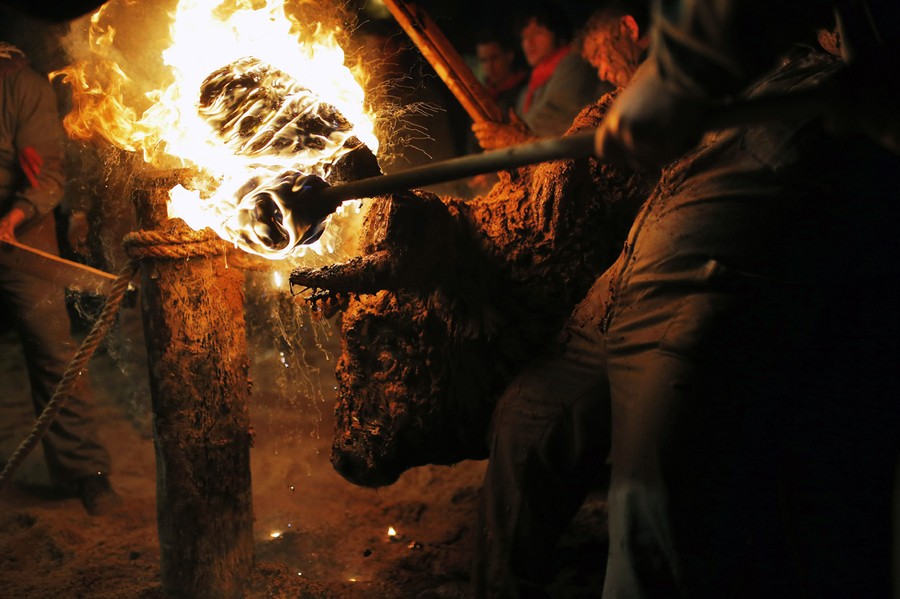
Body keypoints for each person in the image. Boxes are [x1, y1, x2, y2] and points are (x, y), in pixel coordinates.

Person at [477, 11, 900, 599]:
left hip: (710, 269)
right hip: (629, 270)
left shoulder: (822, 82)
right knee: (526, 419)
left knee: (650, 502)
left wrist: (679, 74)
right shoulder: (737, 68)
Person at [0, 41, 119, 515]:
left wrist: (16, 215)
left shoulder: (19, 86)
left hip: (20, 229)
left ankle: (84, 472)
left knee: (53, 350)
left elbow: (47, 168)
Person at [471, 0, 609, 150]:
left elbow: (553, 117)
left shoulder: (574, 64)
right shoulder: (530, 87)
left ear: (557, 33)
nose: (529, 43)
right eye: (524, 37)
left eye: (537, 33)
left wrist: (508, 135)